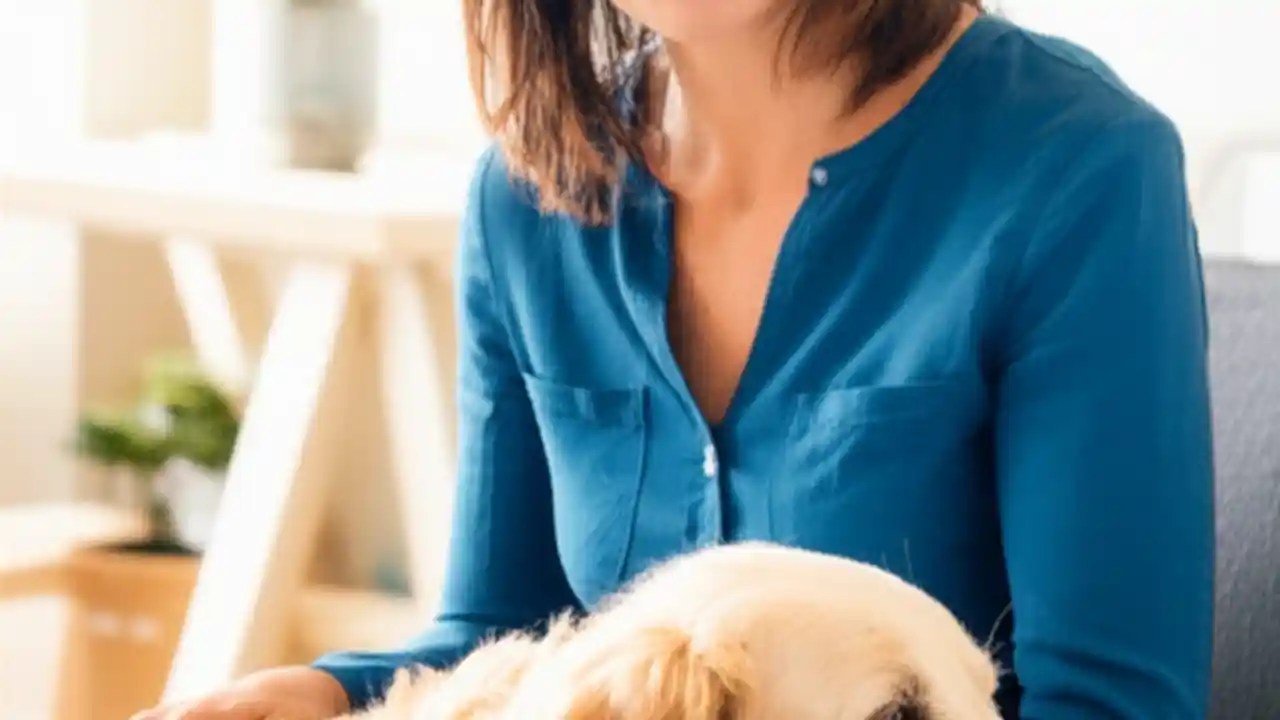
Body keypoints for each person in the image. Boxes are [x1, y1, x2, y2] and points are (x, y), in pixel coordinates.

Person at [136, 0, 1216, 718]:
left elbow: (1108, 707)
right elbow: (511, 635)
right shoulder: (526, 195)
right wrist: (329, 695)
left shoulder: (1077, 170)